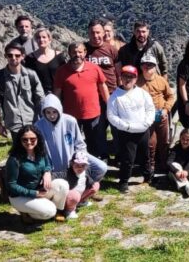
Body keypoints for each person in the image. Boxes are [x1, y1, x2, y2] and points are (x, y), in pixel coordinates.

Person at [35, 95, 106, 205]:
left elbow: (80, 144)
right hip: (53, 165)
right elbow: (39, 150)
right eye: (48, 112)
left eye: (54, 112)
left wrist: (79, 159)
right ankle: (70, 198)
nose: (51, 115)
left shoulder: (70, 121)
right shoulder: (39, 126)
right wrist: (46, 170)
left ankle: (85, 191)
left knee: (101, 167)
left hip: (74, 158)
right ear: (43, 112)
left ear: (59, 109)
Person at [53, 42, 110, 159]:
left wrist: (109, 104)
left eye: (80, 52)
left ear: (85, 53)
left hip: (93, 113)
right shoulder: (62, 71)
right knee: (72, 141)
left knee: (94, 141)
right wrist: (56, 110)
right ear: (69, 53)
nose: (77, 54)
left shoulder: (94, 68)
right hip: (71, 115)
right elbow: (57, 92)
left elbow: (103, 87)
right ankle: (75, 165)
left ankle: (95, 164)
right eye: (74, 52)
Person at [6, 125, 70, 222]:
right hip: (20, 196)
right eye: (25, 139)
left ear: (38, 139)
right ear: (19, 140)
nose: (29, 142)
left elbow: (47, 164)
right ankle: (27, 212)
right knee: (49, 211)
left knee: (63, 185)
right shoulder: (14, 159)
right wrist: (34, 193)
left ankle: (57, 211)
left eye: (32, 139)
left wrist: (47, 172)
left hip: (38, 189)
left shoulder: (40, 152)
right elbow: (11, 185)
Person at [106, 65, 155, 193]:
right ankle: (123, 181)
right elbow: (111, 115)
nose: (128, 79)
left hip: (143, 129)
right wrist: (125, 126)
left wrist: (147, 122)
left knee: (145, 155)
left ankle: (148, 176)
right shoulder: (115, 96)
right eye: (125, 76)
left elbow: (150, 109)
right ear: (120, 78)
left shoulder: (142, 93)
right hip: (126, 132)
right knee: (127, 158)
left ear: (136, 78)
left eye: (131, 77)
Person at [0, 42, 45, 139]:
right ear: (5, 56)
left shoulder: (31, 75)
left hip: (32, 121)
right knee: (19, 152)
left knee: (35, 151)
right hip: (14, 124)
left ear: (22, 56)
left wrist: (44, 121)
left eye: (17, 55)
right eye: (10, 55)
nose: (13, 58)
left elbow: (41, 99)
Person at [139, 53, 175, 175]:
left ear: (155, 67)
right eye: (145, 65)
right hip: (146, 117)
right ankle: (151, 166)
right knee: (150, 142)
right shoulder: (137, 81)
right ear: (141, 66)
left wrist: (166, 109)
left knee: (164, 141)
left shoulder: (161, 80)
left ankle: (164, 164)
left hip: (161, 115)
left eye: (151, 65)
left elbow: (170, 96)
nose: (147, 67)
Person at [24, 27, 66, 95]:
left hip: (58, 95)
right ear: (35, 40)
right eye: (38, 37)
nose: (41, 39)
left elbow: (65, 75)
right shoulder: (30, 58)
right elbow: (28, 79)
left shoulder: (59, 56)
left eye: (44, 37)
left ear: (49, 39)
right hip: (39, 95)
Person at [166, 128, 189, 197]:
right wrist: (176, 171)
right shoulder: (176, 148)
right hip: (177, 174)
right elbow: (168, 162)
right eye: (183, 139)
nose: (185, 141)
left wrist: (186, 171)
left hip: (187, 173)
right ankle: (186, 186)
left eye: (188, 140)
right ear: (180, 138)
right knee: (174, 164)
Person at [62, 151, 96, 219]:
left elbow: (89, 181)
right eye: (77, 165)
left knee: (96, 186)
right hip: (70, 197)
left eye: (83, 165)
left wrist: (92, 185)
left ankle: (81, 202)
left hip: (80, 194)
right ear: (72, 164)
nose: (80, 168)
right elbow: (57, 175)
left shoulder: (85, 172)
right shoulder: (67, 173)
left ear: (86, 166)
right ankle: (69, 210)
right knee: (74, 195)